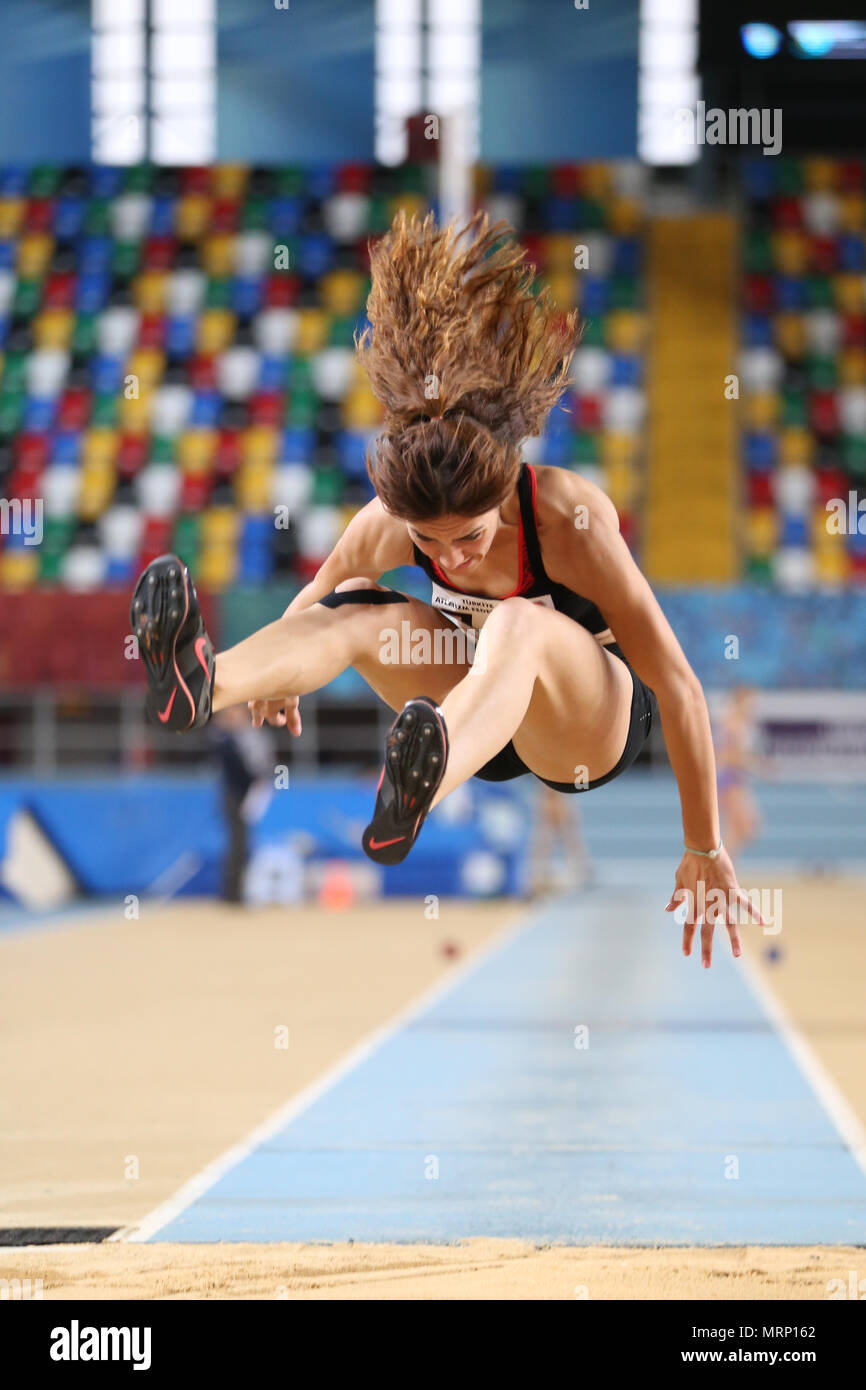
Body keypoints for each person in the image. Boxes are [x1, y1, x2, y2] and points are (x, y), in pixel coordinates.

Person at [129, 210, 763, 966]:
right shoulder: (389, 521)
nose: (451, 561)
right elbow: (320, 606)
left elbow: (682, 684)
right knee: (360, 608)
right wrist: (277, 679)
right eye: (429, 544)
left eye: (471, 538)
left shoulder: (570, 517)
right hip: (478, 704)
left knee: (518, 623)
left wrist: (704, 842)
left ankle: (422, 785)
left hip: (590, 721)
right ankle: (203, 683)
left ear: (505, 496)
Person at [716, 686, 764, 860]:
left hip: (738, 779)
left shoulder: (742, 724)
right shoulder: (732, 724)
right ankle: (723, 869)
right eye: (750, 703)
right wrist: (754, 764)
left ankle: (726, 870)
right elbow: (726, 754)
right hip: (730, 779)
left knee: (741, 829)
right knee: (742, 826)